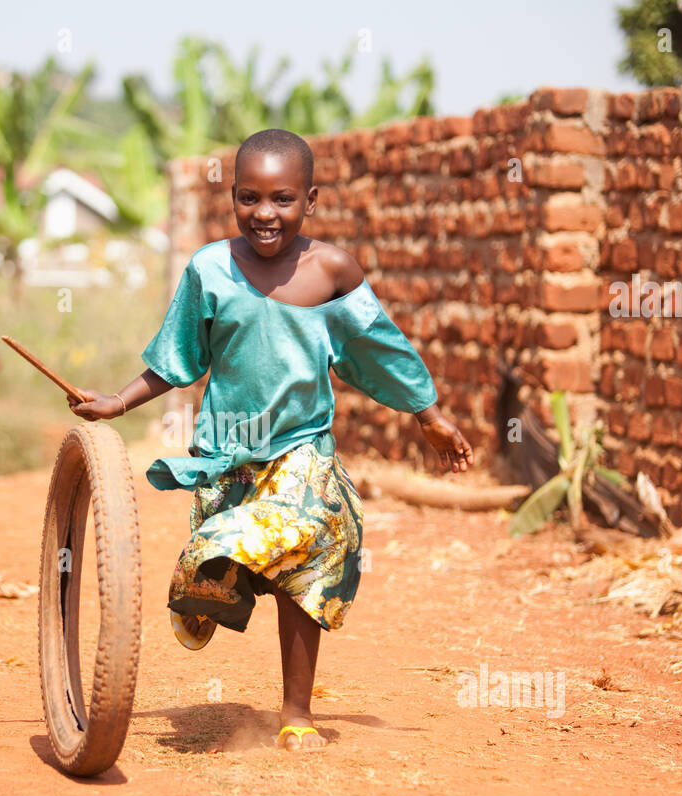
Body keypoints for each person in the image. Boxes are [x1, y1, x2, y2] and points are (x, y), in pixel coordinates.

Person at [69, 129, 474, 751]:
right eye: (249, 198)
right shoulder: (209, 269)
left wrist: (427, 413)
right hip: (227, 455)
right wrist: (118, 402)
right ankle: (203, 592)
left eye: (282, 199)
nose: (265, 213)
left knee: (302, 558)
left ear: (309, 199)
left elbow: (378, 349)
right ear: (232, 196)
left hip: (301, 447)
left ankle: (295, 714)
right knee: (228, 564)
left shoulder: (332, 271)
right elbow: (177, 357)